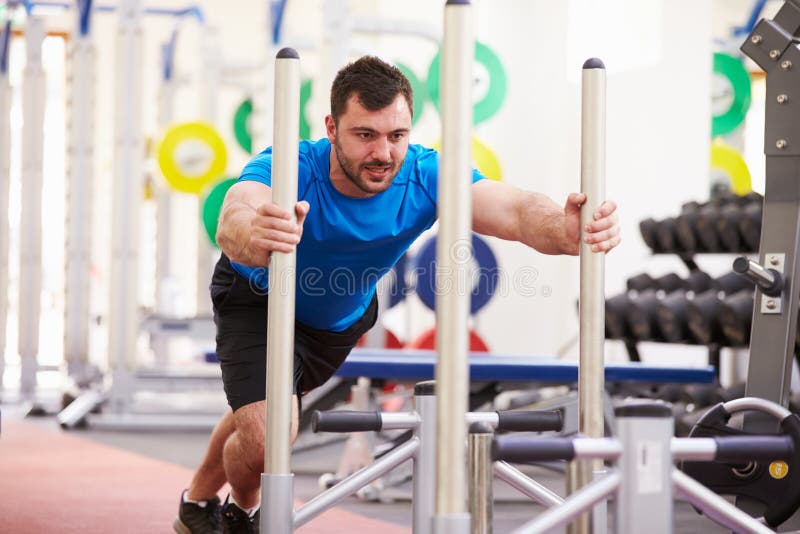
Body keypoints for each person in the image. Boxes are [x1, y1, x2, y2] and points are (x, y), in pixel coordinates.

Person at [173, 55, 620, 534]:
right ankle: (242, 511)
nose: (383, 152)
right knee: (269, 438)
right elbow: (235, 215)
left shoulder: (425, 175)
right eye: (365, 135)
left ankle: (195, 502)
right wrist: (257, 232)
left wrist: (562, 228)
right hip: (257, 300)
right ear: (331, 128)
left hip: (335, 321)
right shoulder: (291, 166)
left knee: (266, 406)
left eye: (397, 135)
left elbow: (515, 210)